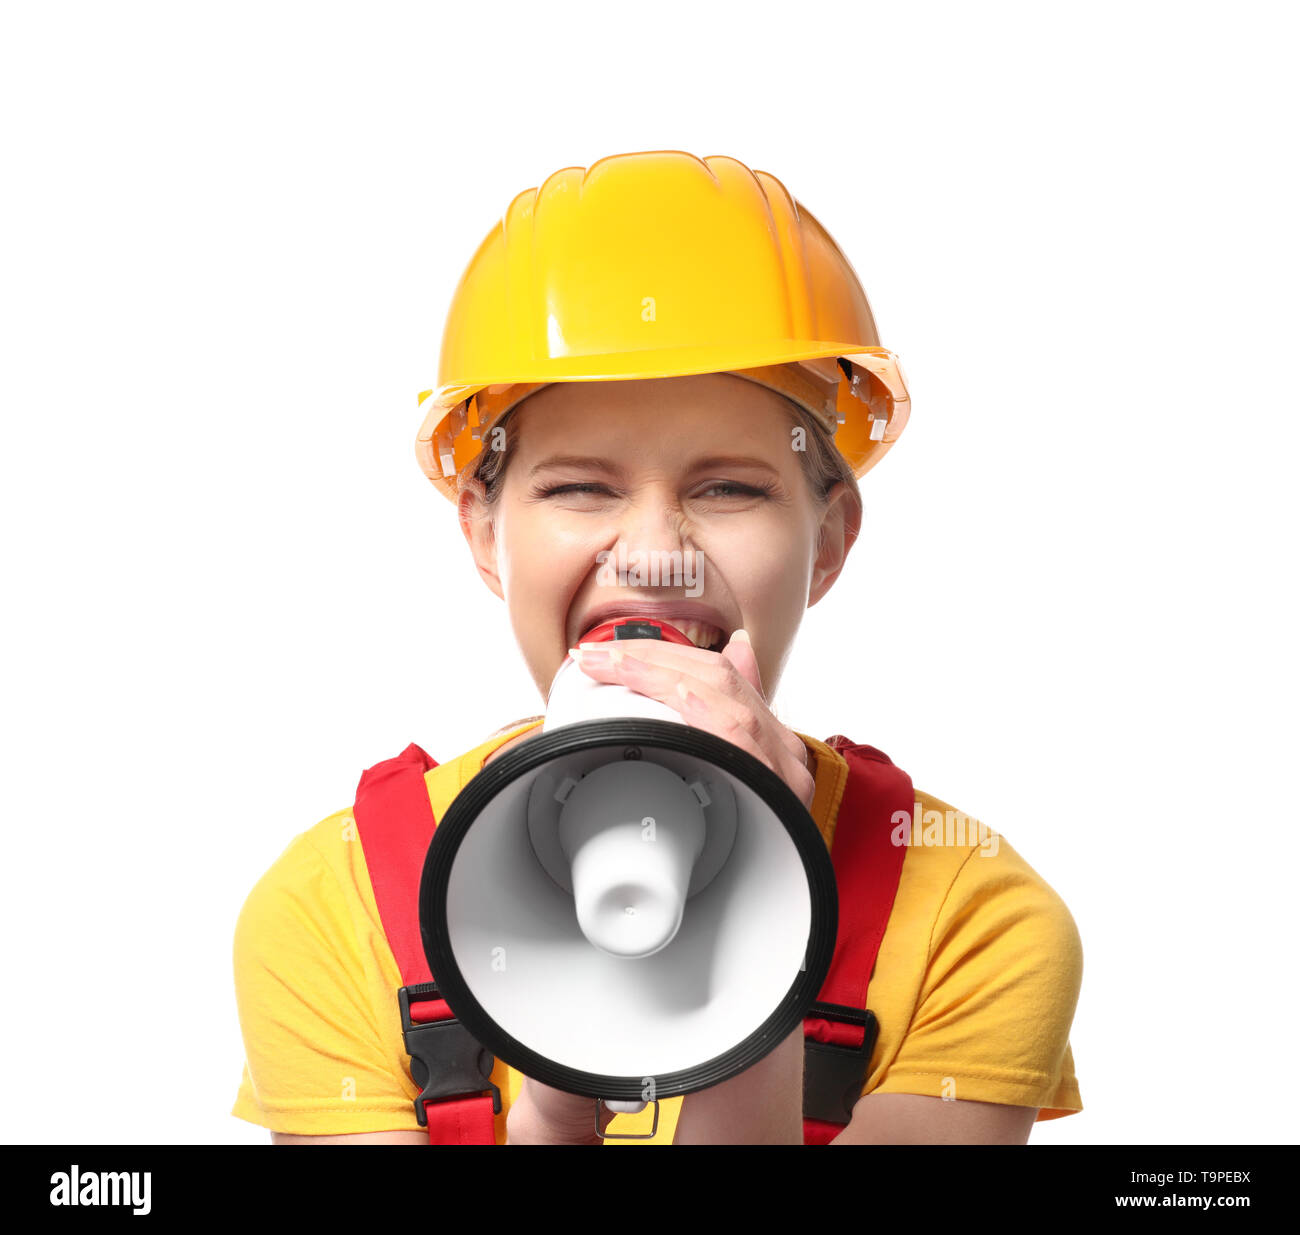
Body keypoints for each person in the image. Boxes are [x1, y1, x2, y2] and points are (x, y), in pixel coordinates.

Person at [230, 151, 1083, 1145]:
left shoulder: (976, 917)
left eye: (728, 488)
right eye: (578, 486)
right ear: (480, 531)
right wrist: (556, 1103)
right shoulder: (336, 902)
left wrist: (766, 916)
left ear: (832, 539)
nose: (651, 554)